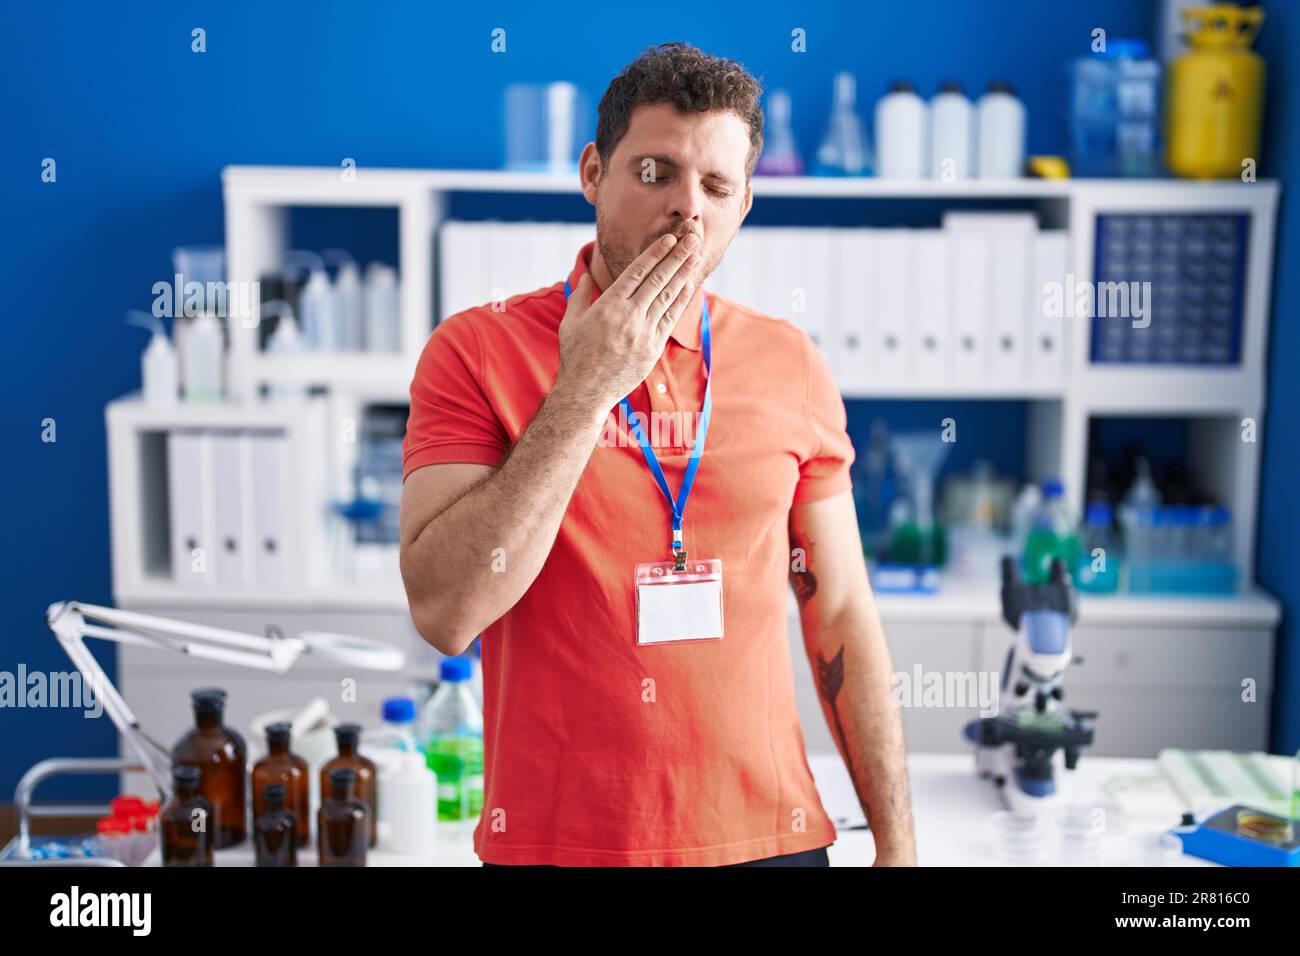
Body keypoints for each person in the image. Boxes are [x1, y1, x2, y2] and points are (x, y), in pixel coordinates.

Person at [400, 41, 916, 867]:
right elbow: (446, 614)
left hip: (773, 841)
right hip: (559, 847)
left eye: (716, 186)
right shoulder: (475, 351)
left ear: (744, 203)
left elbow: (843, 610)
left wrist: (897, 844)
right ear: (593, 173)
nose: (687, 208)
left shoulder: (791, 362)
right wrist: (586, 388)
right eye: (654, 173)